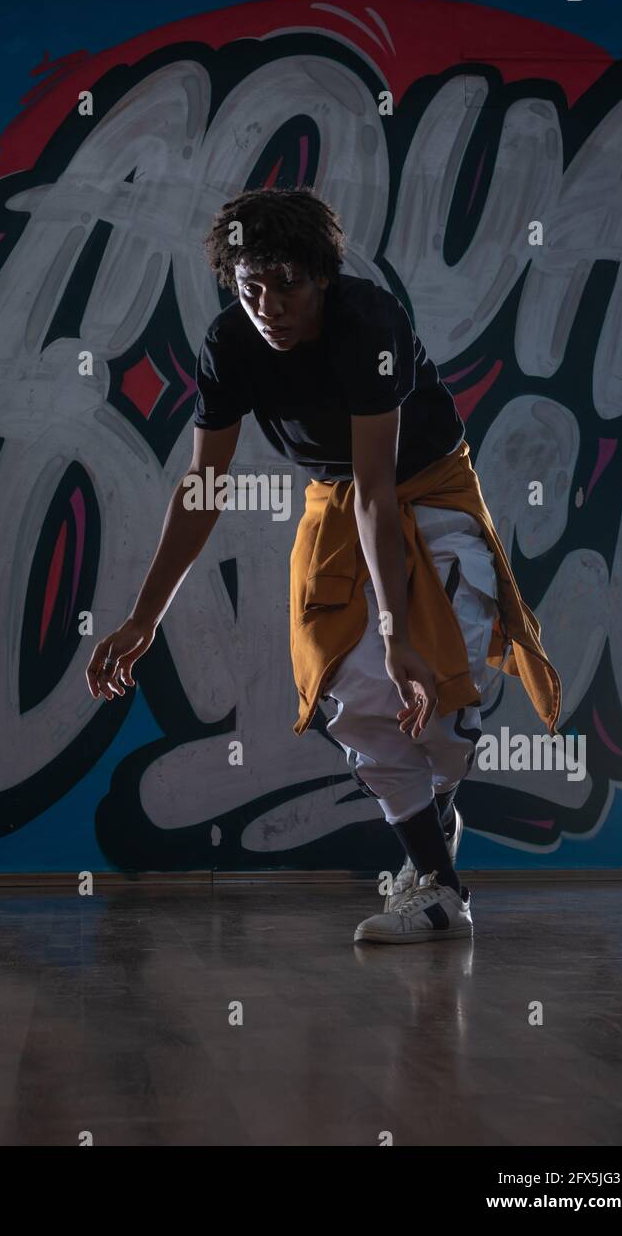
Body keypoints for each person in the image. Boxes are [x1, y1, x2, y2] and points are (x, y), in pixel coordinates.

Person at [86, 186, 560, 945]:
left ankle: (434, 812)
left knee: (441, 692)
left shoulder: (369, 324)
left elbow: (379, 490)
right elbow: (204, 485)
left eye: (288, 285)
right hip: (336, 503)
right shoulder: (229, 344)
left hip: (428, 490)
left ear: (322, 277)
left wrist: (396, 634)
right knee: (355, 696)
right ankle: (441, 891)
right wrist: (144, 618)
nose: (269, 306)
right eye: (252, 287)